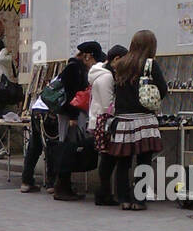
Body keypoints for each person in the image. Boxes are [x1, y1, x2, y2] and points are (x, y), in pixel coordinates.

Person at [109, 30, 167, 210]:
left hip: (122, 119)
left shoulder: (120, 65)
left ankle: (123, 199)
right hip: (144, 119)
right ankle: (139, 199)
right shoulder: (150, 64)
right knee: (144, 160)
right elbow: (162, 89)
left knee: (123, 161)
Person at [51, 40, 102, 202]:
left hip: (69, 114)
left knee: (68, 146)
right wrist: (73, 117)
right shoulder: (74, 69)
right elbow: (72, 94)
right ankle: (62, 187)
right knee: (68, 147)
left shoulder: (73, 67)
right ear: (87, 56)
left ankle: (63, 185)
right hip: (69, 115)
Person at [91, 44, 126, 206]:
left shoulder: (100, 73)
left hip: (99, 120)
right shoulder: (107, 77)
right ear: (116, 59)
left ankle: (104, 193)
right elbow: (107, 104)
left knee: (107, 158)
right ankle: (104, 194)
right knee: (108, 159)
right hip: (106, 121)